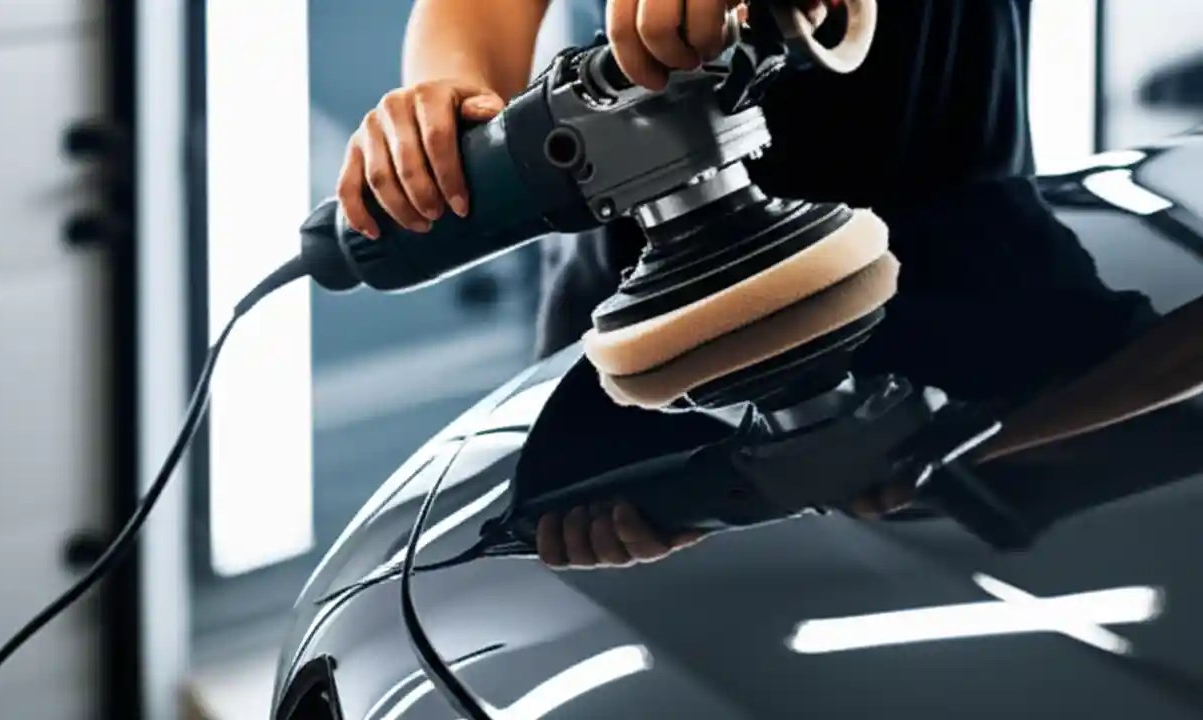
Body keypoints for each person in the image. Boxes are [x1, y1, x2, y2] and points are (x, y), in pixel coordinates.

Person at [335, 0, 1036, 569]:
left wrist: (996, 441)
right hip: (639, 363)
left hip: (988, 297)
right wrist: (450, 105)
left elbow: (1150, 371)